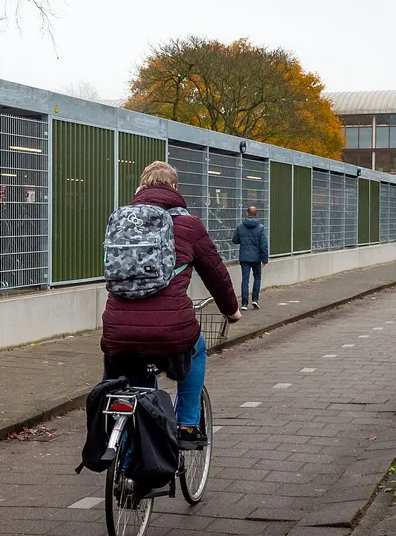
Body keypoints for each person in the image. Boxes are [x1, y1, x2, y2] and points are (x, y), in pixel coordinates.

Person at [102, 161, 242, 449]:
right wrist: (231, 309)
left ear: (140, 188)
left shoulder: (121, 224)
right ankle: (187, 425)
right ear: (175, 188)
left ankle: (125, 458)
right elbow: (217, 275)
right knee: (197, 346)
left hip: (118, 329)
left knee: (133, 384)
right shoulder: (189, 225)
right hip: (171, 331)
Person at [232, 206, 270, 311]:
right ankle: (255, 300)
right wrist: (265, 259)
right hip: (256, 258)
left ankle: (244, 303)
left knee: (245, 280)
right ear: (257, 214)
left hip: (244, 257)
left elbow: (235, 240)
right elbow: (263, 245)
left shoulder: (240, 226)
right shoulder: (261, 228)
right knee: (257, 278)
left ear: (247, 214)